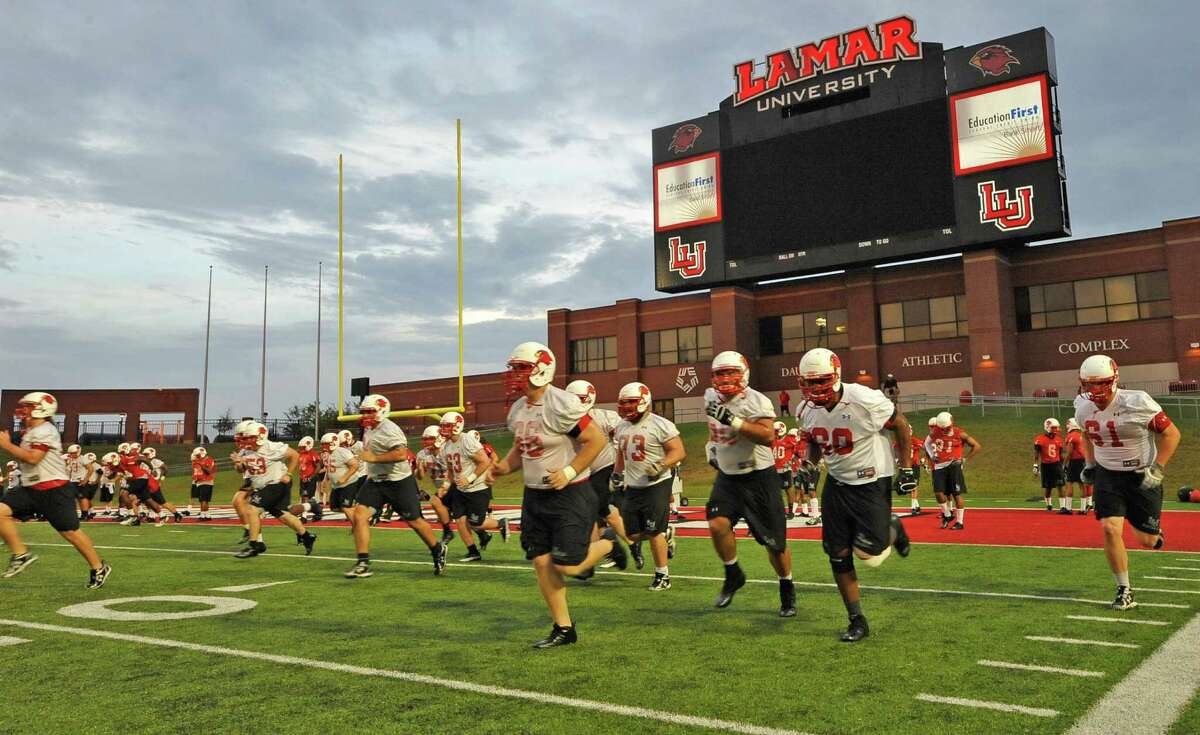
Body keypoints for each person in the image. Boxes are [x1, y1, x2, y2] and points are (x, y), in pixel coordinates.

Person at [489, 341, 616, 648]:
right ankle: (563, 628)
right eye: (513, 368)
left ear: (542, 369)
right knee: (541, 562)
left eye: (521, 368)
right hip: (534, 496)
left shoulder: (560, 403)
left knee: (568, 566)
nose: (514, 375)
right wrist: (504, 466)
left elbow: (595, 440)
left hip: (570, 494)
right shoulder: (519, 408)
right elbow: (523, 446)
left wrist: (569, 471)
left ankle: (609, 542)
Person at [796, 349, 913, 642]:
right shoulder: (805, 410)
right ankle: (856, 619)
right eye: (809, 382)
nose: (815, 387)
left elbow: (901, 424)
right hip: (837, 481)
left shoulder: (864, 399)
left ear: (836, 375)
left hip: (871, 479)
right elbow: (814, 439)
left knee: (868, 553)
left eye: (821, 380)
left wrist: (907, 468)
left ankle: (893, 528)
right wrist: (809, 463)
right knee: (837, 554)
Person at [1074, 355, 1179, 610]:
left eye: (1101, 383)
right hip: (1108, 475)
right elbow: (1087, 435)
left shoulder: (1137, 402)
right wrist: (1090, 464)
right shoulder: (1083, 407)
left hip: (1141, 475)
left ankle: (1153, 533)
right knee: (1110, 528)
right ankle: (1124, 589)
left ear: (1114, 379)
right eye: (1089, 384)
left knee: (1147, 541)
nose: (1095, 390)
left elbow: (1171, 434)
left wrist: (1158, 468)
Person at [704, 350, 796, 617]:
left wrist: (732, 420)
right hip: (728, 477)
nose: (725, 378)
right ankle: (733, 573)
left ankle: (787, 587)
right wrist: (712, 447)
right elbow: (715, 430)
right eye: (720, 373)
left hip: (758, 477)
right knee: (717, 523)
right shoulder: (710, 396)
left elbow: (767, 437)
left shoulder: (757, 401)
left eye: (731, 372)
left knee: (775, 544)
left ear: (743, 373)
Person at [0, 392, 111, 588]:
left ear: (41, 409)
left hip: (53, 489)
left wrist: (7, 445)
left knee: (70, 533)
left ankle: (99, 567)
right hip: (30, 488)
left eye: (28, 406)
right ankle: (21, 555)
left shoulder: (45, 430)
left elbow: (33, 458)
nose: (23, 410)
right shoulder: (31, 431)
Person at [344, 395, 445, 578]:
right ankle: (363, 562)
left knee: (414, 521)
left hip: (398, 481)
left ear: (382, 411)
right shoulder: (369, 428)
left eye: (370, 411)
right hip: (376, 481)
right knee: (359, 515)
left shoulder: (390, 429)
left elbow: (400, 454)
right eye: (364, 411)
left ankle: (437, 548)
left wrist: (374, 458)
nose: (365, 415)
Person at [613, 382, 686, 591]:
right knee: (632, 535)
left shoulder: (660, 424)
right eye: (623, 402)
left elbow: (678, 451)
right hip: (633, 485)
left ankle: (663, 575)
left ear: (644, 401)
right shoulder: (621, 426)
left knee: (653, 532)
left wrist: (661, 465)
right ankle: (666, 533)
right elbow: (621, 453)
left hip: (656, 483)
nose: (626, 406)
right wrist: (617, 474)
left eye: (631, 402)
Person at [230, 420, 317, 558]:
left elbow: (294, 455)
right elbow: (240, 470)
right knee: (282, 515)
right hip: (263, 485)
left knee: (252, 510)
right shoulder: (245, 451)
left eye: (249, 438)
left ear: (260, 437)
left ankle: (255, 545)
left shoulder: (272, 447)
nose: (245, 441)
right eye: (245, 438)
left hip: (276, 483)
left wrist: (289, 474)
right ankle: (307, 536)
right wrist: (239, 463)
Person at [437, 411, 507, 562]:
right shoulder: (446, 446)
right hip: (461, 490)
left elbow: (484, 461)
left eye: (447, 426)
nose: (443, 429)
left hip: (477, 488)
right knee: (460, 521)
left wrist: (469, 479)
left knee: (475, 523)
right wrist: (445, 485)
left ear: (457, 426)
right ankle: (473, 551)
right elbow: (451, 470)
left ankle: (500, 523)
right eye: (442, 426)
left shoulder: (467, 440)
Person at [926, 412, 981, 530]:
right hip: (939, 466)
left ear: (951, 423)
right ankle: (947, 515)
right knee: (938, 493)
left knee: (956, 494)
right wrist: (932, 456)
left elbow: (976, 446)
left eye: (946, 428)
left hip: (954, 466)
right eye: (942, 428)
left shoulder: (959, 433)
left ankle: (960, 522)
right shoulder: (935, 431)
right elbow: (927, 443)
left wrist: (965, 459)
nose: (945, 430)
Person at [415, 425, 456, 545]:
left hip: (455, 485)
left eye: (430, 438)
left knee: (467, 519)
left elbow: (454, 471)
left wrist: (446, 485)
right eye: (425, 439)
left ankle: (449, 532)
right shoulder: (422, 454)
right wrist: (419, 469)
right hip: (442, 488)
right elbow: (420, 477)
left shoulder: (447, 451)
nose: (427, 442)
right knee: (436, 502)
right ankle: (448, 532)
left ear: (439, 438)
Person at [1033, 419, 1068, 514]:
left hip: (1056, 465)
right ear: (1047, 427)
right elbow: (1036, 454)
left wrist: (1064, 466)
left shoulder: (1059, 439)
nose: (1056, 430)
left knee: (1060, 485)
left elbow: (1061, 455)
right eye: (1054, 428)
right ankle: (1049, 504)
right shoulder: (1040, 439)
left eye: (1056, 428)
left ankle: (1063, 507)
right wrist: (1035, 465)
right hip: (1046, 465)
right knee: (1048, 488)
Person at [1063, 418, 1093, 514]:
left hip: (1075, 462)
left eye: (1068, 424)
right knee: (1082, 485)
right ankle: (1083, 509)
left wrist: (1064, 464)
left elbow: (1069, 453)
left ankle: (1068, 508)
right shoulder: (1082, 435)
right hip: (1084, 461)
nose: (1066, 426)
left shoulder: (1071, 436)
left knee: (1069, 483)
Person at [190, 446, 217, 520]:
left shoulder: (209, 460)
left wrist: (201, 464)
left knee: (203, 500)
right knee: (204, 500)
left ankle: (202, 515)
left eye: (197, 455)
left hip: (206, 481)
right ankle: (207, 515)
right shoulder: (196, 462)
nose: (196, 457)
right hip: (200, 482)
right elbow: (196, 472)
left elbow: (209, 471)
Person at [297, 436, 322, 511]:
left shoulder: (313, 453)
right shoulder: (301, 454)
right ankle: (305, 511)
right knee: (303, 495)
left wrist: (312, 476)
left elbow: (318, 466)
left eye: (303, 447)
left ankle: (314, 511)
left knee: (309, 496)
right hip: (303, 478)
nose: (301, 448)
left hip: (310, 477)